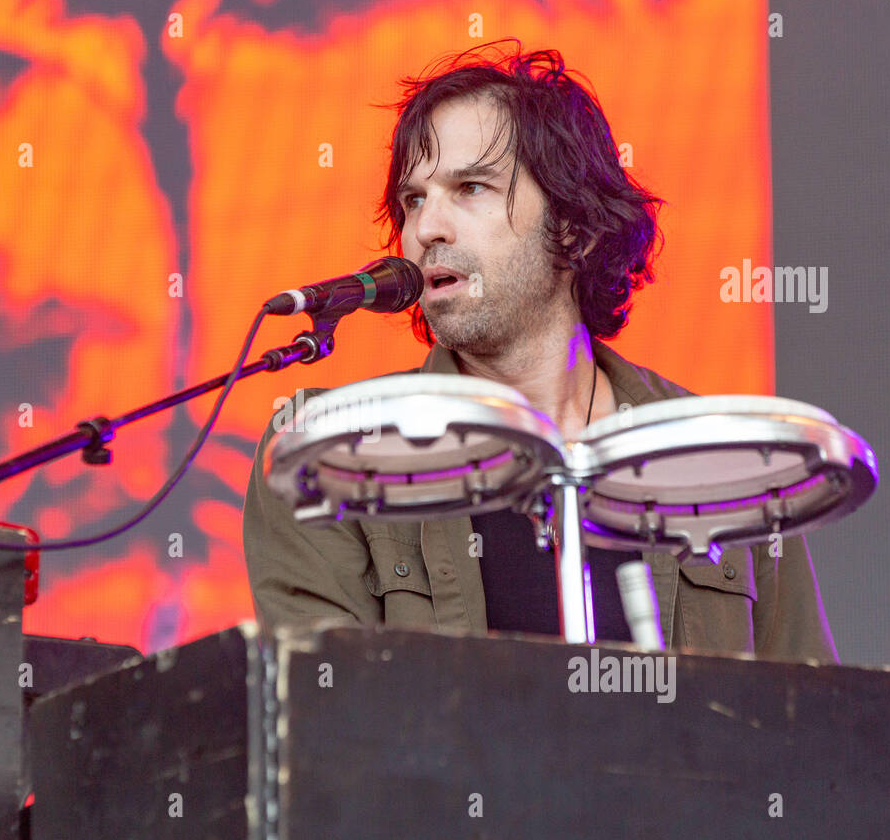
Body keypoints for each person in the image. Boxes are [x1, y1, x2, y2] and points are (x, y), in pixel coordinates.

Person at [242, 46, 836, 662]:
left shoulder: (723, 456)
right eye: (413, 199)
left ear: (575, 227)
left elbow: (811, 722)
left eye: (469, 187)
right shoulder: (329, 448)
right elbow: (326, 724)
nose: (425, 230)